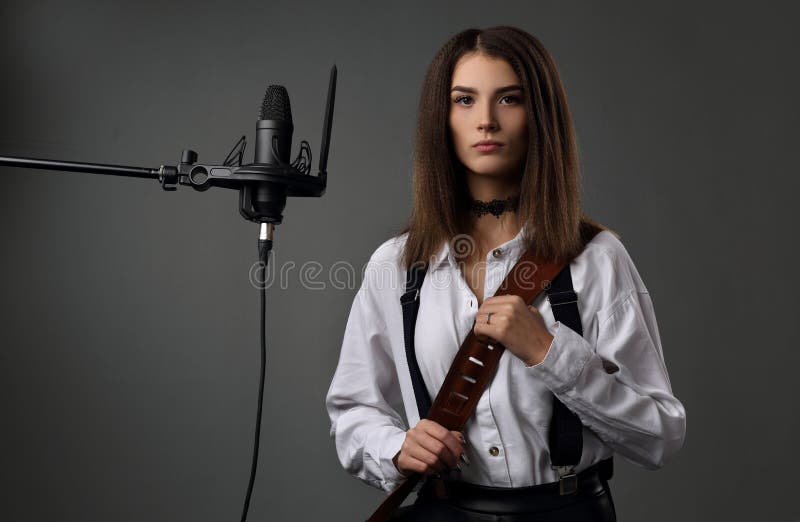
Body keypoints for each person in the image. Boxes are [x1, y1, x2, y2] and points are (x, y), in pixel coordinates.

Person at [326, 26, 686, 521]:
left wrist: (551, 354)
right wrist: (395, 447)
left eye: (509, 99)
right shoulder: (396, 265)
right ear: (442, 118)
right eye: (464, 100)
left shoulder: (598, 258)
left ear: (539, 115)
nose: (487, 121)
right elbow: (353, 412)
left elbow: (660, 436)